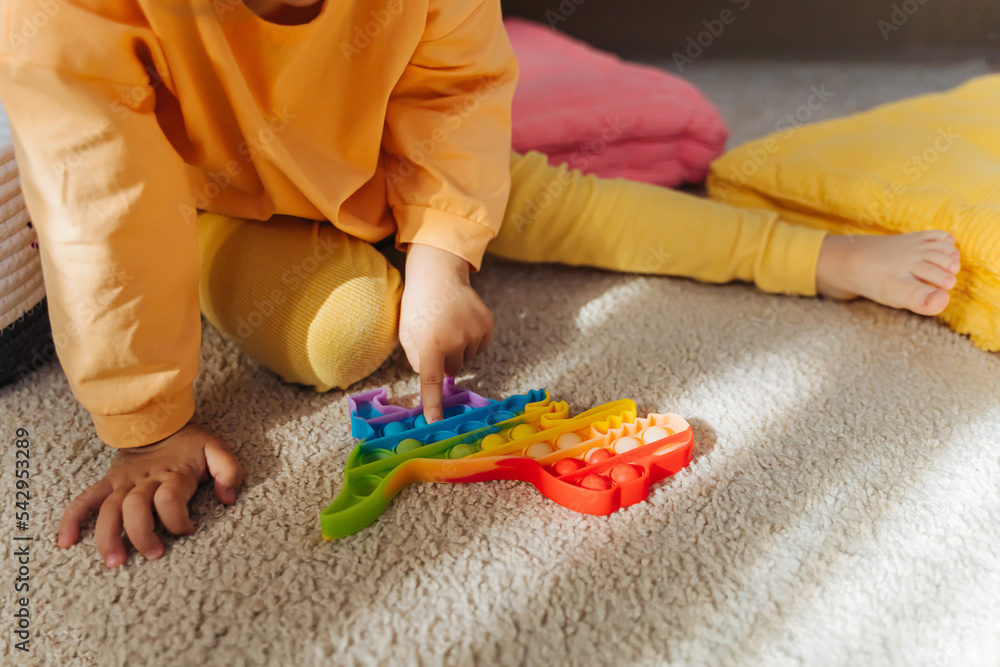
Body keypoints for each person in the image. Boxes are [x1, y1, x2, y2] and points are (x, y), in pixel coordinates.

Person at [0, 0, 960, 568]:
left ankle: (817, 259)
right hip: (216, 203)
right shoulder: (65, 23)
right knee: (345, 335)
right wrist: (148, 421)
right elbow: (102, 199)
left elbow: (453, 95)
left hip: (386, 155)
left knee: (565, 204)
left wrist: (441, 253)